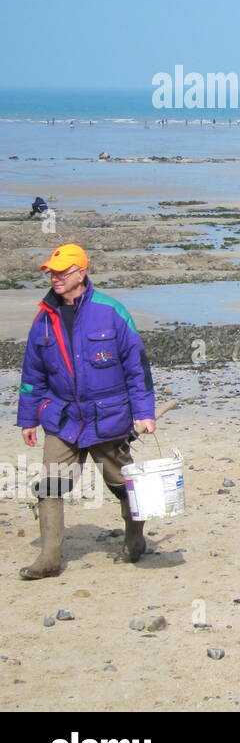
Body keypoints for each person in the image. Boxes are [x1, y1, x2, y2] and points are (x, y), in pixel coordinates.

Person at [17, 244, 156, 579]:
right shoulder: (43, 319)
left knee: (123, 484)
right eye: (52, 272)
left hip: (108, 418)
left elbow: (137, 367)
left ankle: (135, 539)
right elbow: (32, 372)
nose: (55, 278)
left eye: (62, 272)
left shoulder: (111, 311)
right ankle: (49, 560)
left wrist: (144, 412)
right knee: (50, 485)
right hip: (62, 418)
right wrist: (28, 418)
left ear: (81, 272)